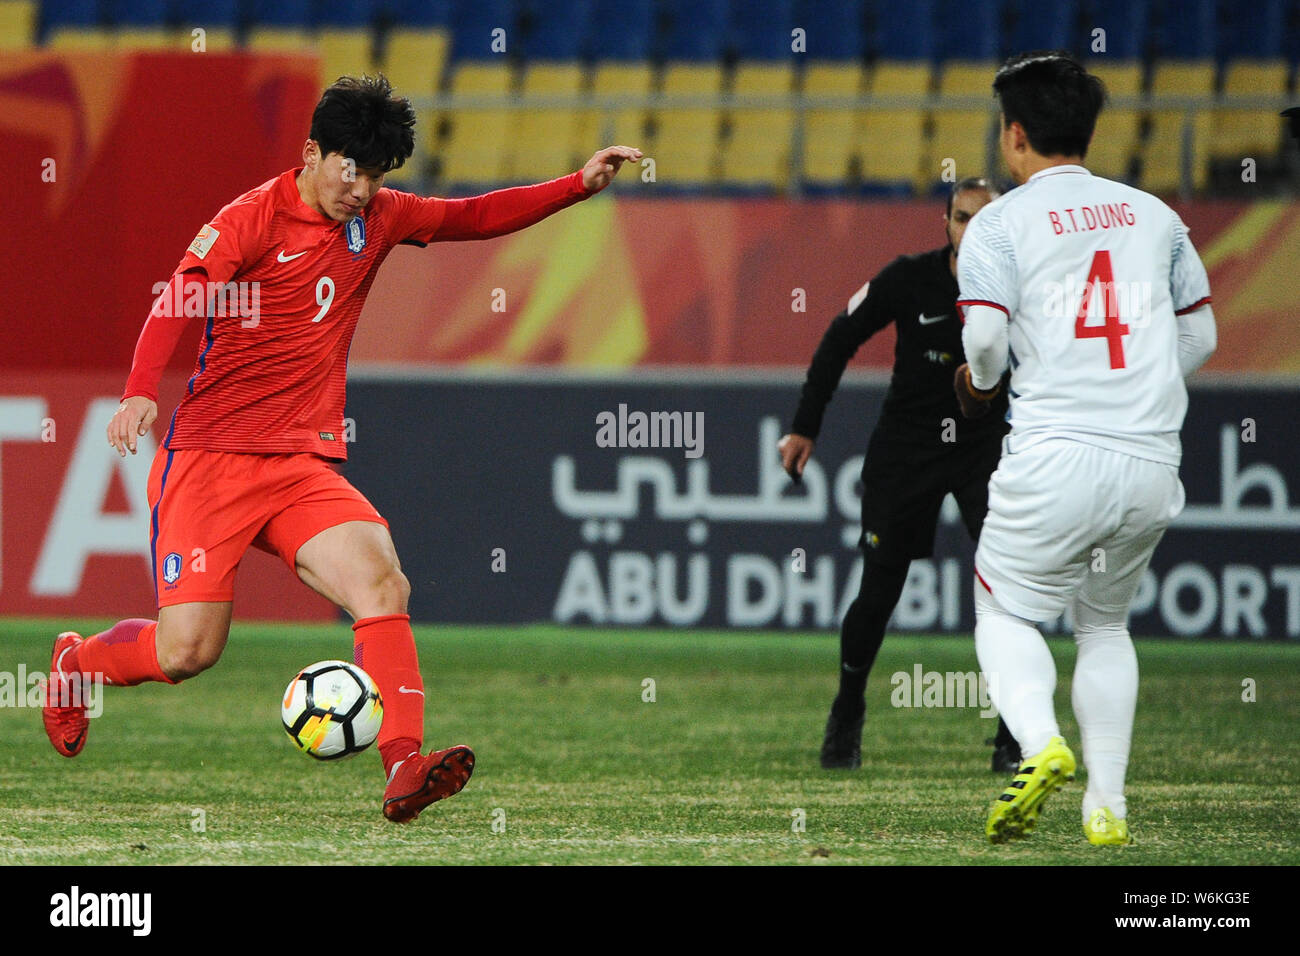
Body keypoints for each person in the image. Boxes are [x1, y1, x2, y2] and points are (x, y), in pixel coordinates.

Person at [41, 74, 641, 824]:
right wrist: (137, 389)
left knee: (383, 584)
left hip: (297, 465)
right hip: (210, 462)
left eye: (376, 175)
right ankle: (76, 662)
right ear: (311, 153)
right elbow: (179, 297)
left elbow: (475, 216)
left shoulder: (381, 218)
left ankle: (403, 766)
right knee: (186, 653)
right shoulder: (248, 219)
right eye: (349, 169)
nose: (361, 189)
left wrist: (578, 185)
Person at [954, 51, 1216, 845]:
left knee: (1001, 610)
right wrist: (1133, 385)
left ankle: (1040, 745)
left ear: (1015, 135)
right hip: (1148, 459)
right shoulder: (1156, 216)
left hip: (1055, 450)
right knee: (1104, 627)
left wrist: (987, 379)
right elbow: (1200, 332)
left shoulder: (999, 222)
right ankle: (1109, 806)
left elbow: (989, 339)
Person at [779, 177, 1022, 774]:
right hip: (907, 450)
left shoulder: (1026, 288)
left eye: (984, 220)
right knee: (879, 590)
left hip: (982, 451)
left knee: (1010, 589)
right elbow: (840, 336)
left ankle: (1014, 729)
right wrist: (805, 425)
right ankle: (848, 710)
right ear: (946, 223)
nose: (971, 230)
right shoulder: (909, 278)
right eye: (962, 217)